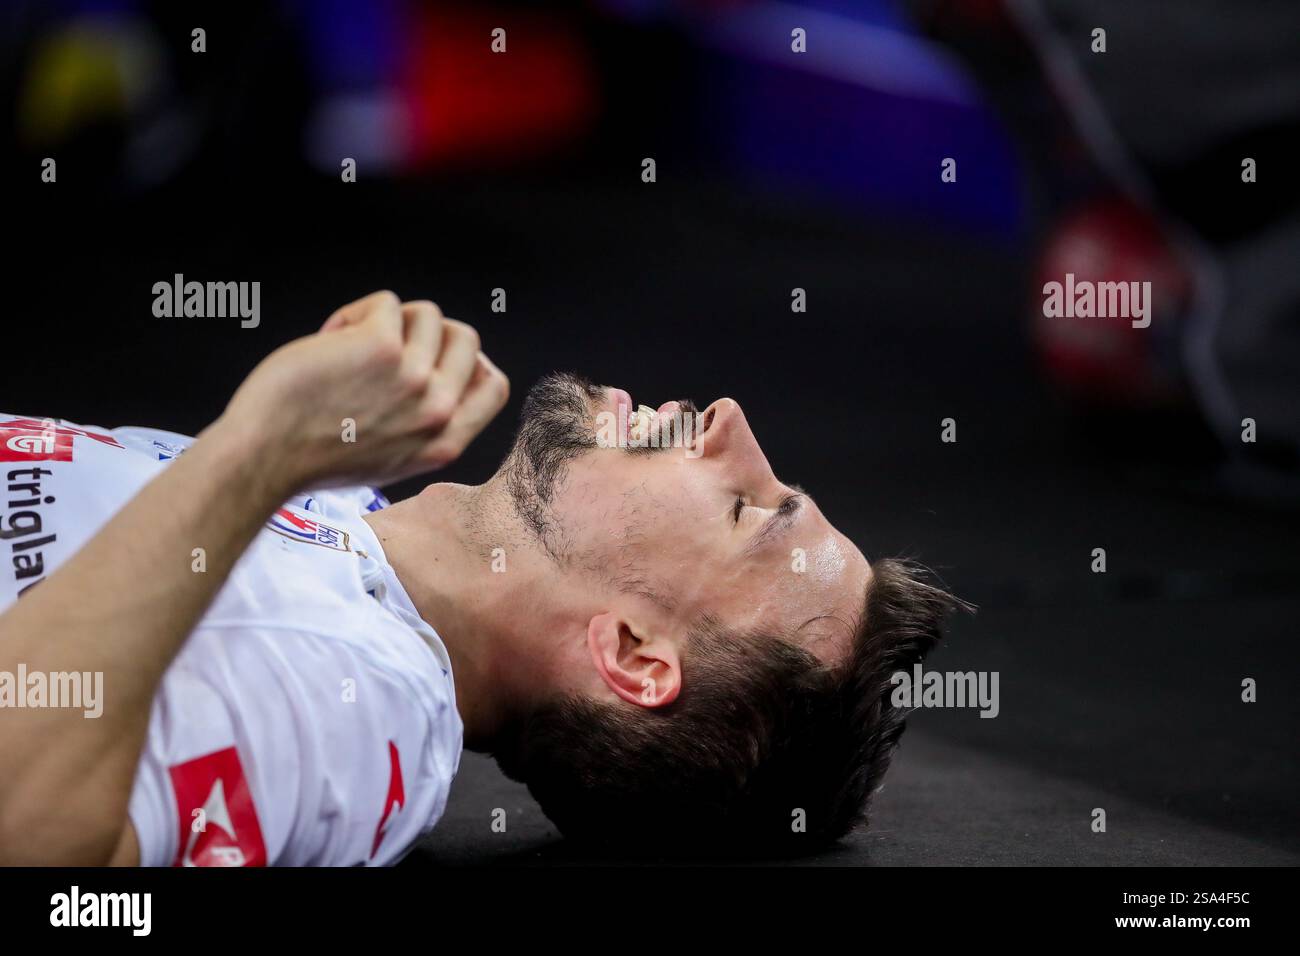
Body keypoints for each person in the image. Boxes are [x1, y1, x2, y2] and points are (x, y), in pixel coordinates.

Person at [0, 291, 963, 866]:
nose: (730, 420)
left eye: (747, 507)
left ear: (631, 655)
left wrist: (260, 447)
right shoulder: (349, 516)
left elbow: (36, 844)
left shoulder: (365, 706)